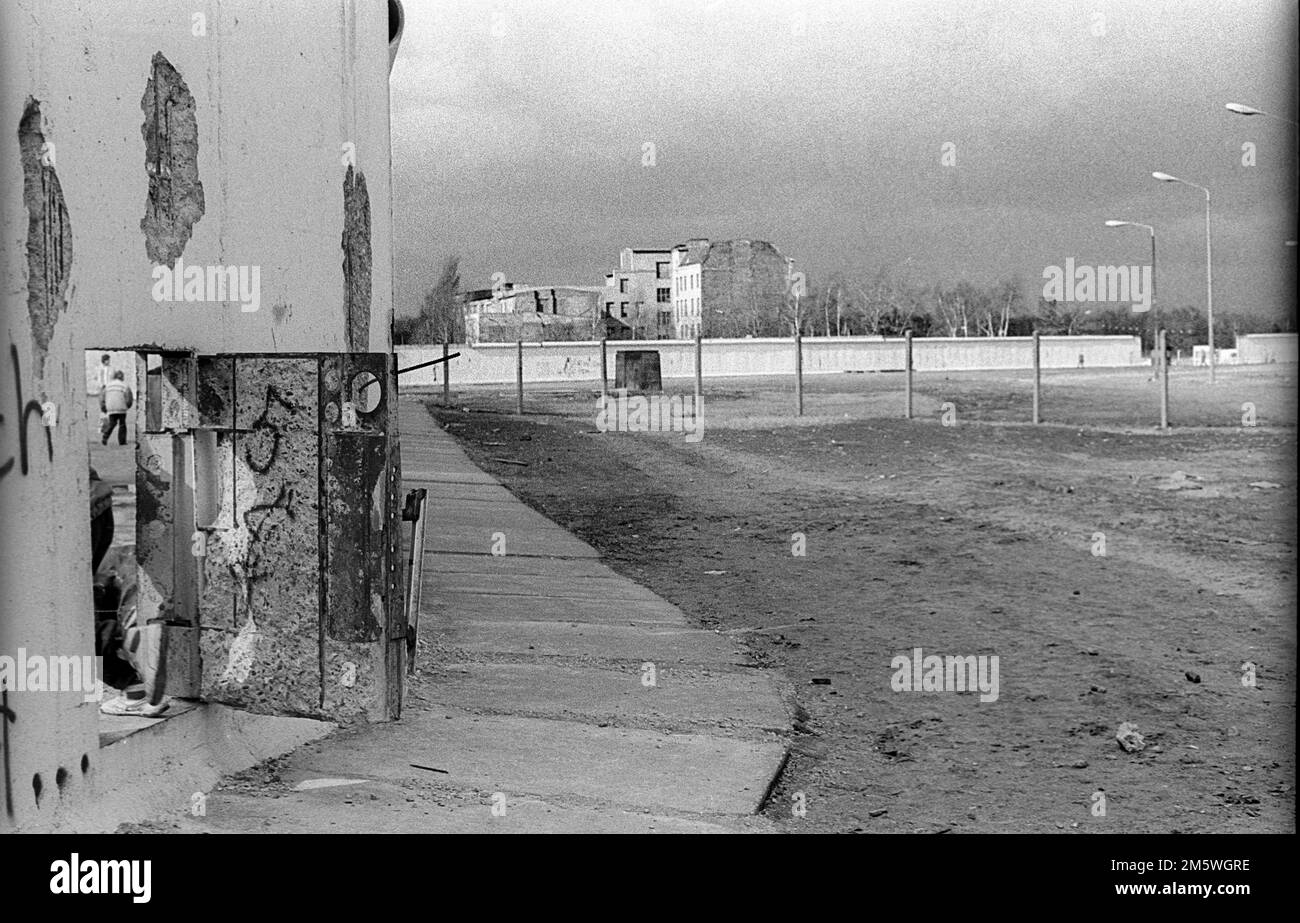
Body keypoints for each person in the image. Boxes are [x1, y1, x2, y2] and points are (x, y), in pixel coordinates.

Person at [100, 370, 133, 446]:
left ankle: (105, 437)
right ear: (122, 377)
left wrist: (103, 407)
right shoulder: (124, 385)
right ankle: (122, 442)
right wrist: (127, 406)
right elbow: (129, 398)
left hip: (111, 407)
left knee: (112, 423)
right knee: (122, 424)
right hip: (121, 408)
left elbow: (102, 397)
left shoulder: (108, 385)